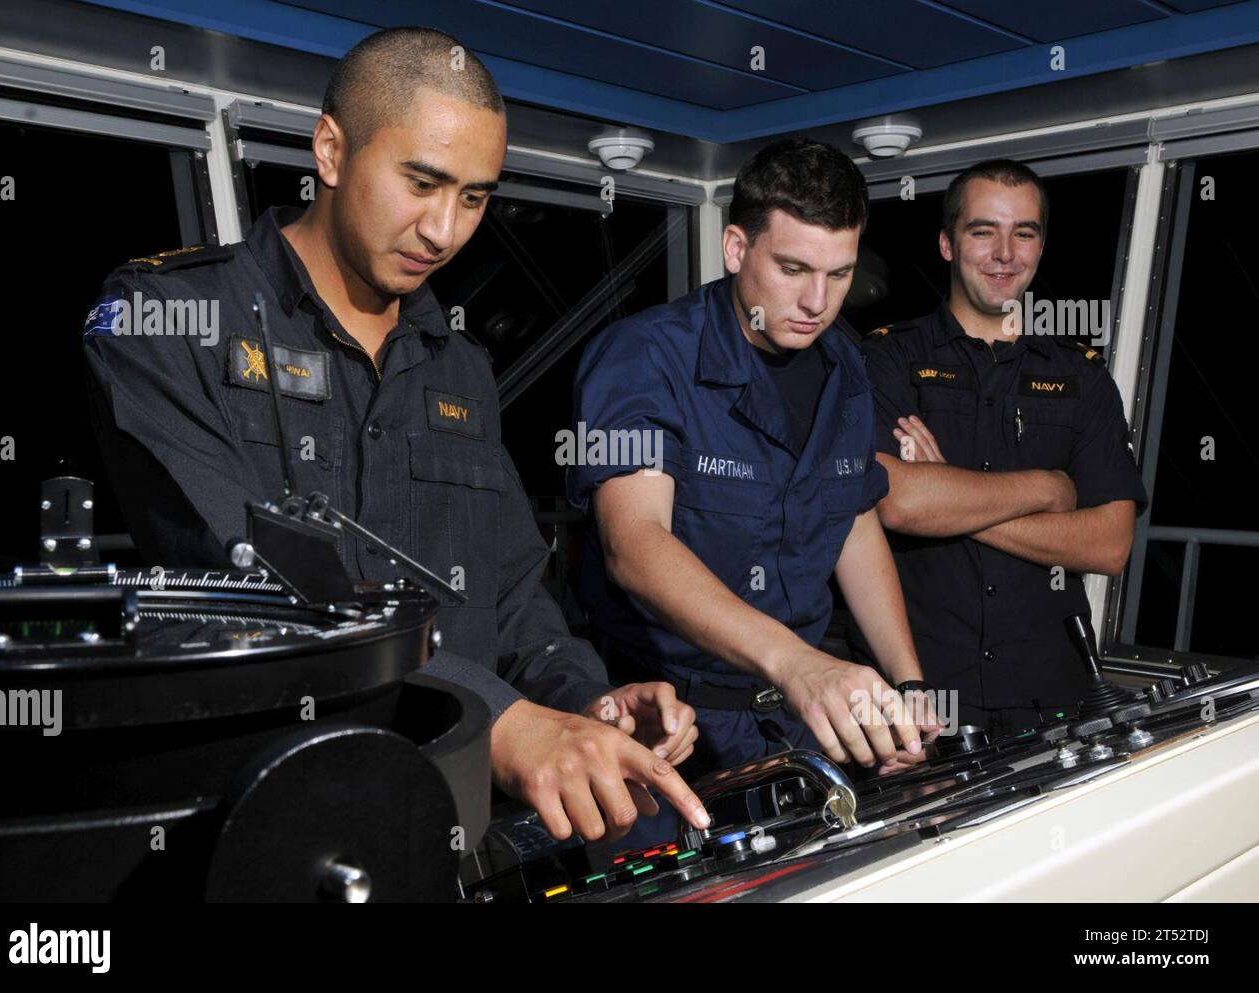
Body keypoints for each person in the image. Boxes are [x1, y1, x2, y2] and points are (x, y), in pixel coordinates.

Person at [81, 27, 709, 843]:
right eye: (422, 182)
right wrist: (506, 721)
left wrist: (585, 700)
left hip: (448, 823)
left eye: (476, 198)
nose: (444, 231)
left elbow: (516, 594)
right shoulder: (163, 320)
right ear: (332, 150)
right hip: (258, 819)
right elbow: (263, 584)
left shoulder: (462, 370)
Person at [569, 138, 940, 777]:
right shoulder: (642, 356)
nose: (818, 303)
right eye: (793, 269)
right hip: (666, 729)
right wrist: (798, 662)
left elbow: (851, 519)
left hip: (797, 723)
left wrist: (908, 691)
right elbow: (634, 542)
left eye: (840, 274)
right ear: (737, 248)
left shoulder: (845, 365)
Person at [855, 159, 1147, 738]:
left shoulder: (1083, 378)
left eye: (1025, 233)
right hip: (913, 698)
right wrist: (1047, 489)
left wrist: (950, 495)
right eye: (983, 230)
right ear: (946, 243)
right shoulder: (887, 359)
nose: (1005, 253)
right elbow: (898, 504)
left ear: (1041, 247)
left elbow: (1110, 545)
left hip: (1052, 696)